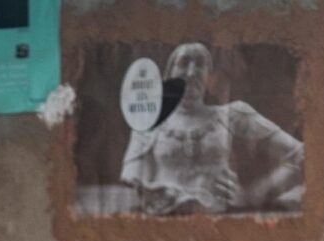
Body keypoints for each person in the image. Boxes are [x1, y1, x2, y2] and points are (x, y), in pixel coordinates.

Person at [121, 42, 303, 215]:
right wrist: (155, 193)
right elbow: (133, 177)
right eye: (183, 63)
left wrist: (254, 194)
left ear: (209, 77)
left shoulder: (232, 115)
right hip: (163, 226)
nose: (191, 72)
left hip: (218, 224)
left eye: (200, 65)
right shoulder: (149, 122)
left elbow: (301, 155)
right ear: (169, 74)